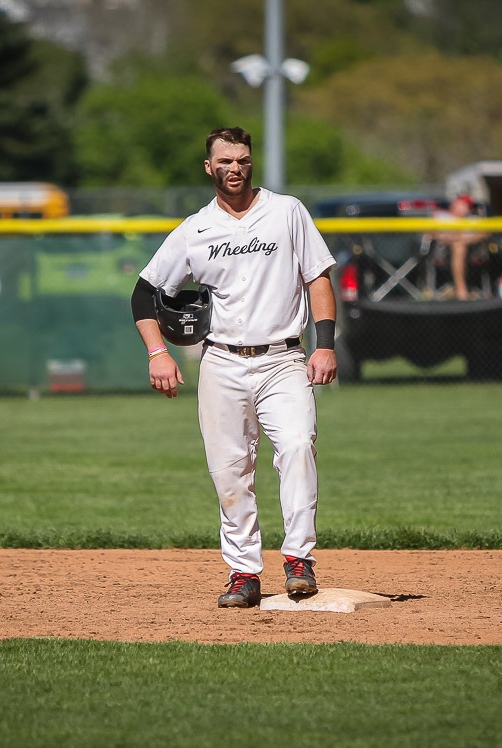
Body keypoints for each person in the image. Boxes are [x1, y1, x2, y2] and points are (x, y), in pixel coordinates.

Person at [130, 126, 338, 609]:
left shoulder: (286, 211)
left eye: (242, 159)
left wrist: (324, 345)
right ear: (209, 167)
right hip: (221, 362)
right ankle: (244, 573)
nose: (235, 168)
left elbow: (318, 278)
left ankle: (298, 560)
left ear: (251, 162)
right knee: (230, 470)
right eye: (225, 161)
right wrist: (158, 353)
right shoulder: (195, 228)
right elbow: (144, 293)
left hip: (284, 357)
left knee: (297, 444)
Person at [431, 194, 488, 300]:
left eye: (465, 205)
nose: (461, 207)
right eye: (460, 203)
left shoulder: (473, 219)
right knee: (458, 246)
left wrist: (466, 239)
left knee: (459, 246)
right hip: (443, 251)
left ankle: (459, 289)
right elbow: (431, 233)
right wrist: (448, 238)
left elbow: (484, 234)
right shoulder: (441, 216)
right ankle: (461, 290)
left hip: (471, 251)